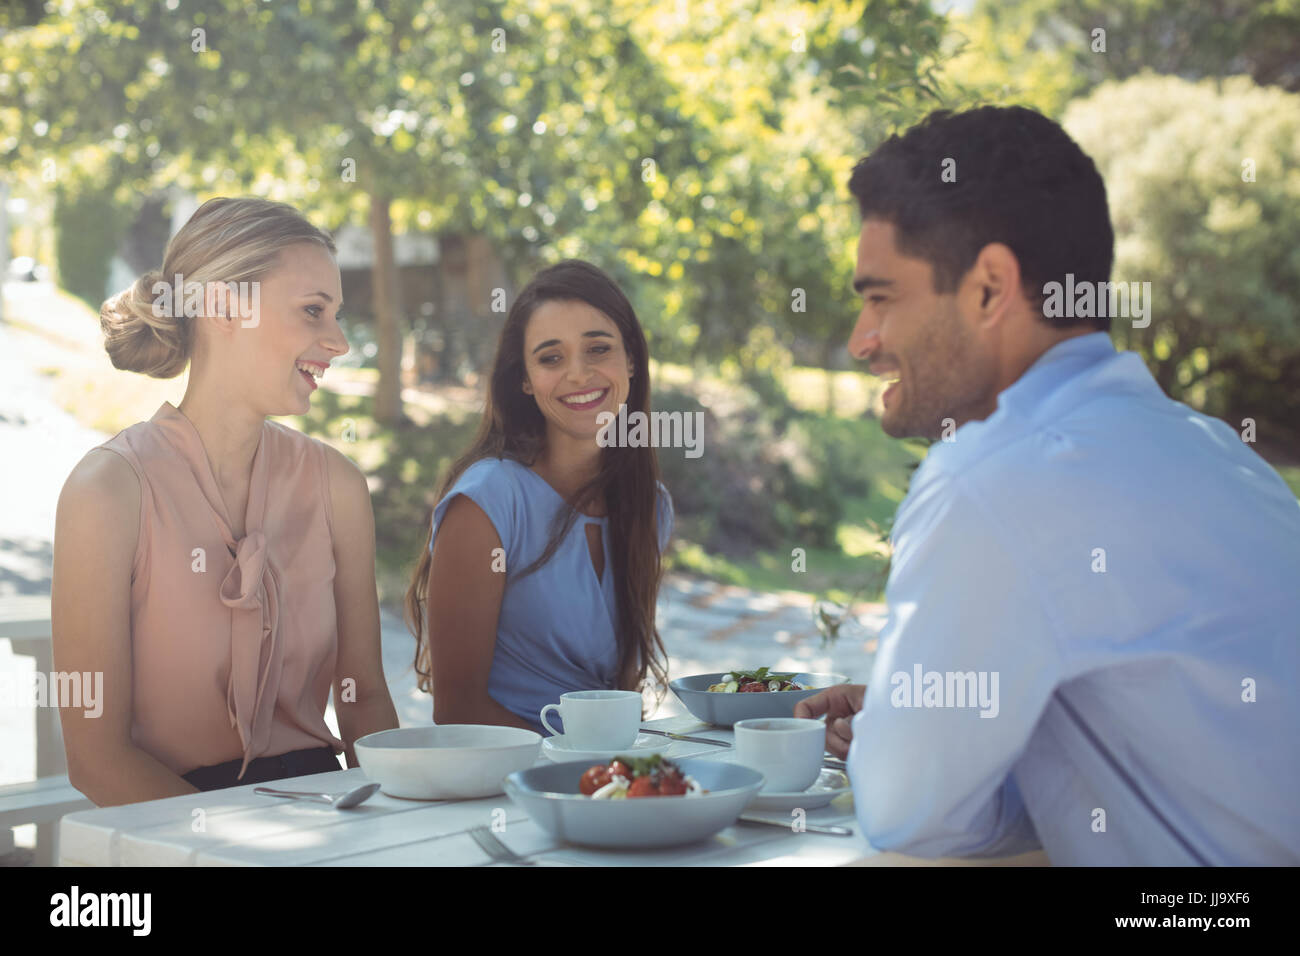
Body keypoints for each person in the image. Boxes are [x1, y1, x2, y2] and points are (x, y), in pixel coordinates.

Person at [796, 106, 1300, 865]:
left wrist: (903, 742)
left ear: (991, 289)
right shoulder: (1220, 455)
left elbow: (905, 816)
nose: (860, 341)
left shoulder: (991, 480)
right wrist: (939, 716)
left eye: (881, 298)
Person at [53, 197, 398, 804]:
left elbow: (363, 695)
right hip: (168, 826)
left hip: (331, 818)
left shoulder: (337, 485)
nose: (339, 342)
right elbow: (98, 760)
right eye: (314, 311)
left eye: (336, 315)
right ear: (223, 307)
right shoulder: (106, 491)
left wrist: (396, 820)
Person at [405, 260, 673, 734]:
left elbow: (620, 691)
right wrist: (582, 764)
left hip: (601, 783)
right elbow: (457, 710)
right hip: (508, 786)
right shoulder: (486, 503)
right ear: (525, 379)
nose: (578, 373)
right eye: (551, 358)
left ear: (630, 359)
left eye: (598, 349)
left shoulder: (649, 505)